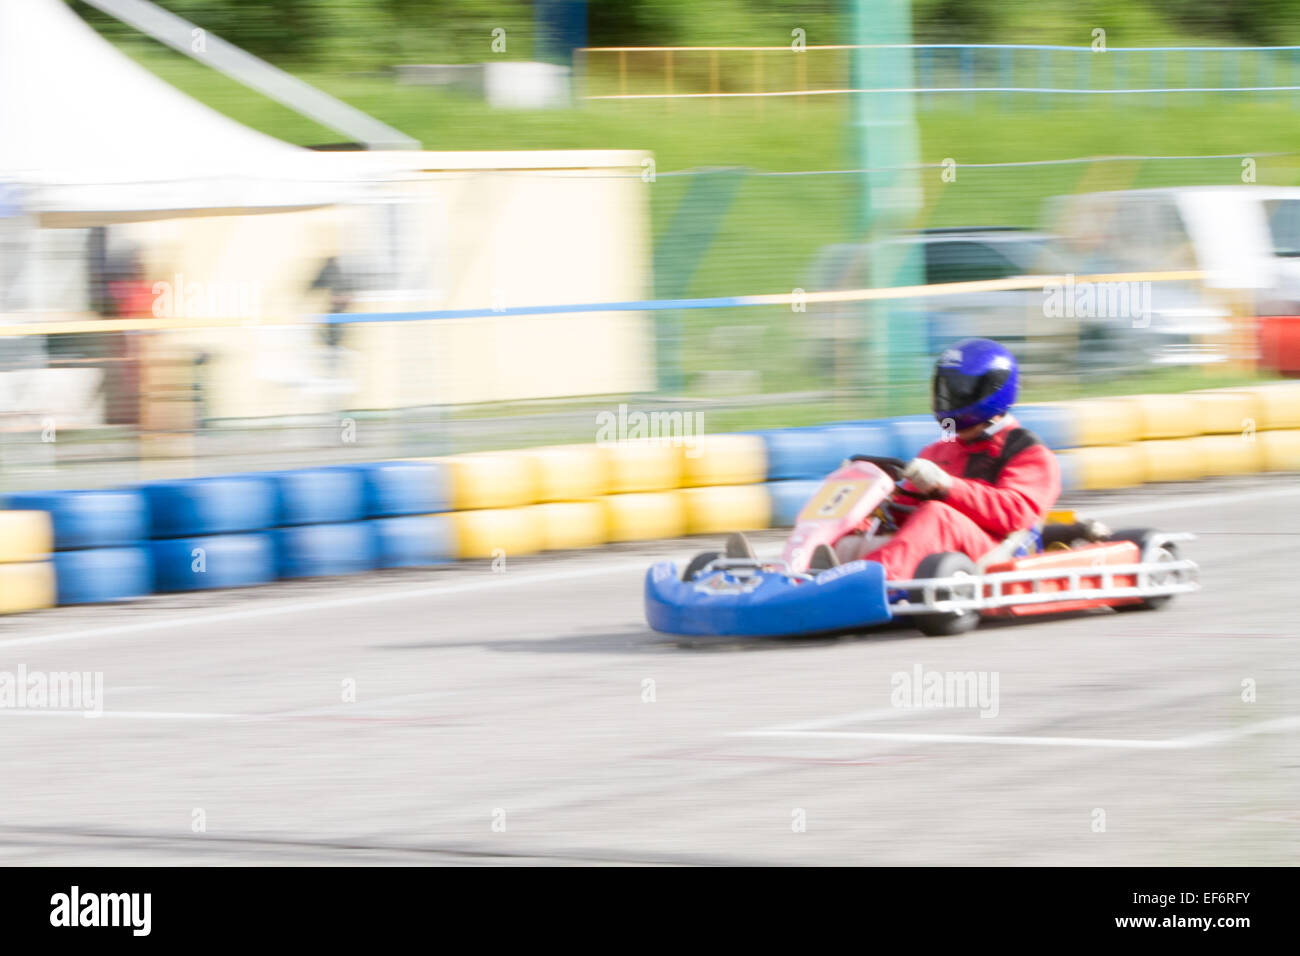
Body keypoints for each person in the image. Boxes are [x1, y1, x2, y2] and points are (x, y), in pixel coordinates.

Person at [839, 338, 1062, 580]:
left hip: (999, 553)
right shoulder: (939, 451)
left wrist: (948, 486)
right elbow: (908, 511)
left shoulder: (1028, 452)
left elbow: (1015, 515)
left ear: (992, 389)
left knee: (938, 514)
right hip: (946, 553)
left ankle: (865, 581)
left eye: (958, 390)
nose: (949, 398)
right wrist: (876, 502)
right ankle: (810, 575)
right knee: (855, 515)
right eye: (945, 389)